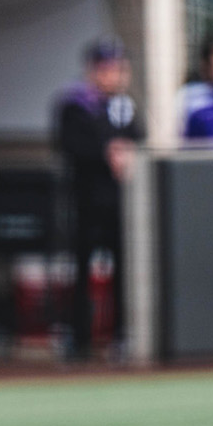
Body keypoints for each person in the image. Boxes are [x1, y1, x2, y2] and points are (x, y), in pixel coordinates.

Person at [53, 36, 143, 362]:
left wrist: (128, 151)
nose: (115, 75)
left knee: (126, 270)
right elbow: (70, 145)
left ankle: (121, 336)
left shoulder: (125, 105)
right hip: (85, 200)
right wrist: (108, 151)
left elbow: (138, 139)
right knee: (80, 272)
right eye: (107, 68)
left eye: (120, 68)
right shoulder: (74, 103)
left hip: (120, 203)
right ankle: (78, 340)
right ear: (93, 70)